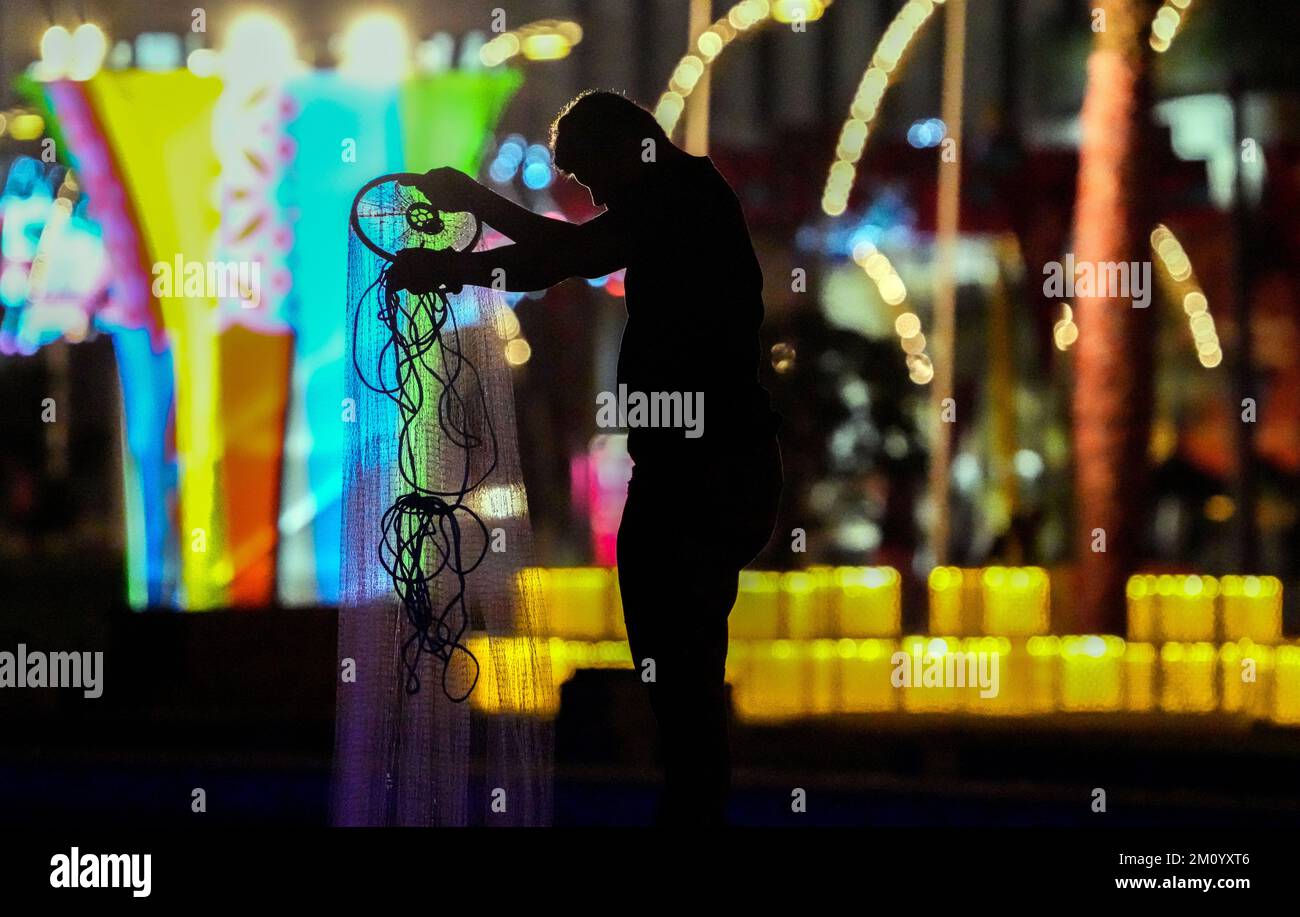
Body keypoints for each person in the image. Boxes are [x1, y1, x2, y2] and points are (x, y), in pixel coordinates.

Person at [388, 90, 782, 825]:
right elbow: (558, 258)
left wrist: (465, 232)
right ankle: (693, 806)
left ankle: (692, 811)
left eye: (592, 176)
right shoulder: (680, 195)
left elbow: (568, 254)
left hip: (701, 472)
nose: (594, 195)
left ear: (626, 147)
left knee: (678, 663)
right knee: (681, 666)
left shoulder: (680, 194)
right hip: (705, 467)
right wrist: (460, 252)